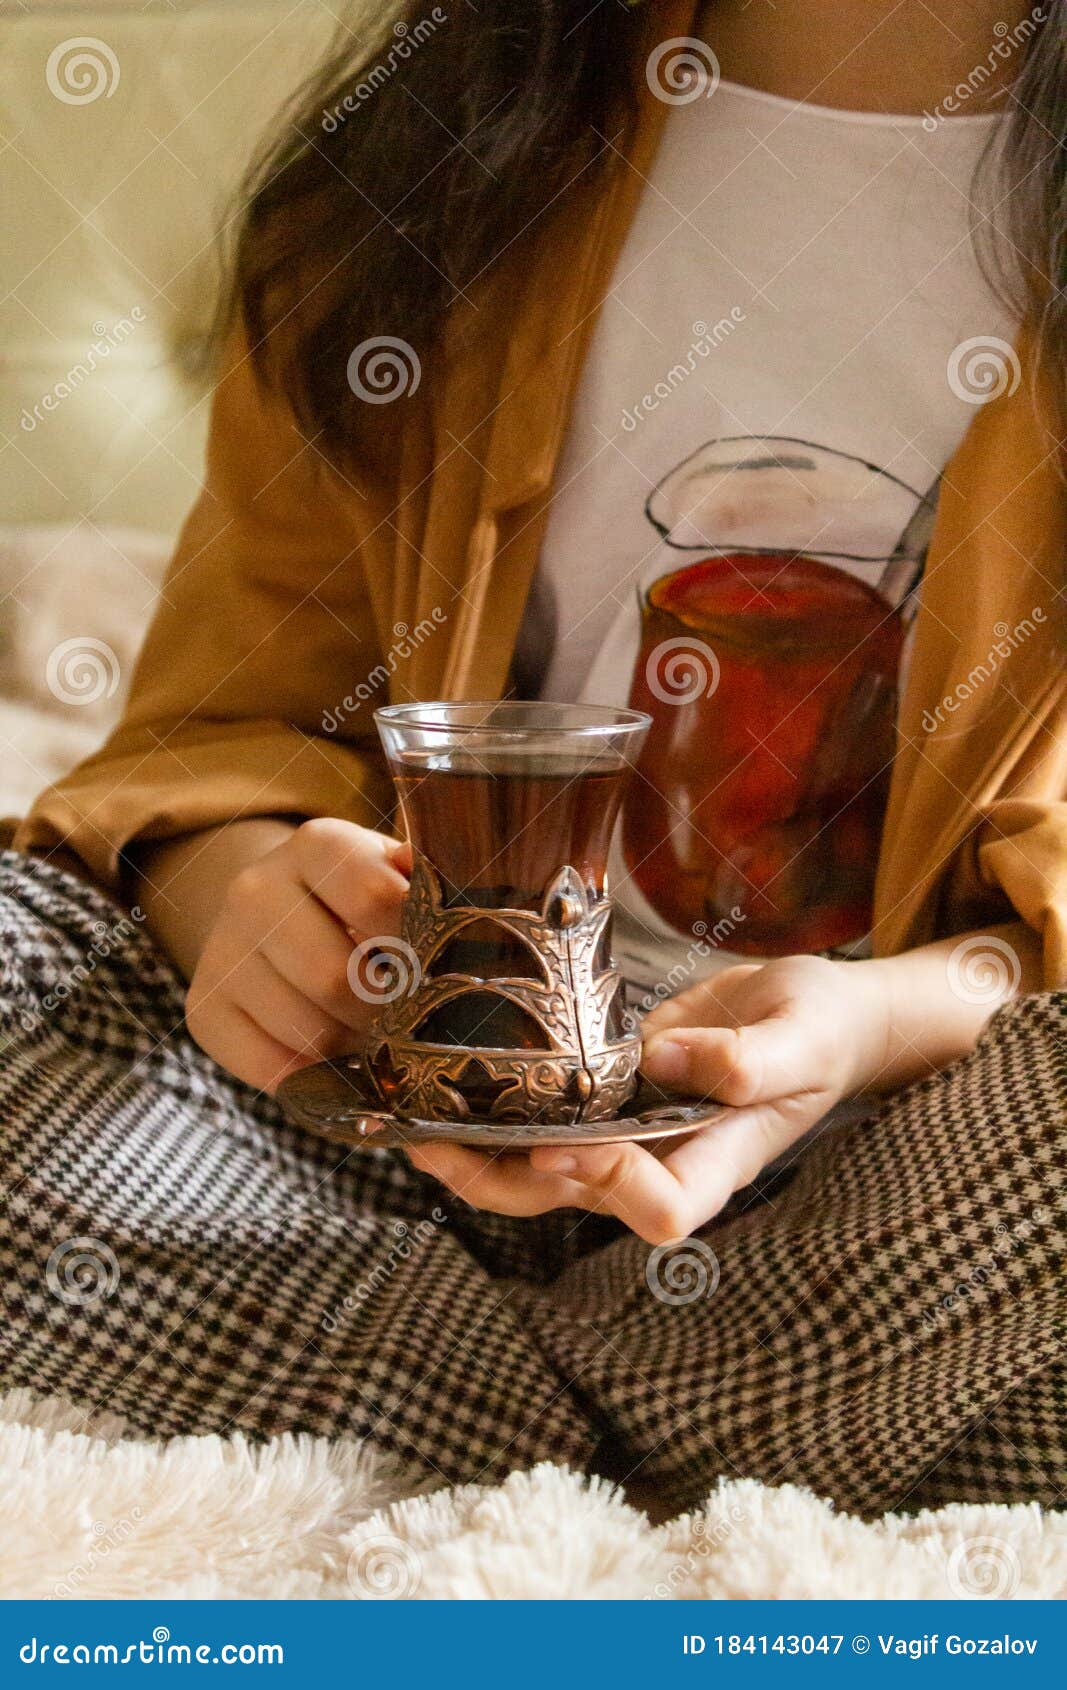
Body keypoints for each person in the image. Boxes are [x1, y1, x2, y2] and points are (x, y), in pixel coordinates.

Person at [2, 0, 1062, 1518]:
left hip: (896, 1181)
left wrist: (882, 1020)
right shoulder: (436, 151)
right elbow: (219, 730)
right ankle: (699, 1429)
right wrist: (243, 894)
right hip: (380, 1130)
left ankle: (413, 1395)